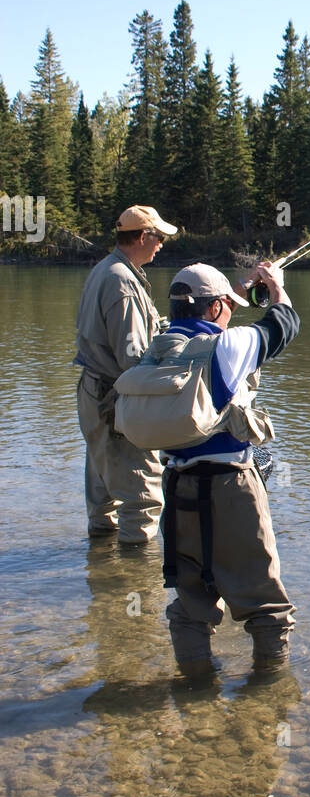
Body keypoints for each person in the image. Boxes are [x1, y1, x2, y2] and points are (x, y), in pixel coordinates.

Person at [157, 259, 300, 678]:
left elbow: (211, 330)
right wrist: (276, 286)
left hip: (178, 487)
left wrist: (228, 302)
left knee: (191, 601)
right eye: (225, 305)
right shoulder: (229, 347)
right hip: (232, 488)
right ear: (217, 306)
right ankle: (267, 690)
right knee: (265, 602)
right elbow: (284, 324)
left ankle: (196, 686)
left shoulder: (156, 347)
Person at [74, 204, 177, 543]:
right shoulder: (122, 282)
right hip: (113, 402)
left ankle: (104, 574)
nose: (162, 243)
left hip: (94, 395)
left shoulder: (108, 269)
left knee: (103, 495)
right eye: (159, 237)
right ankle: (137, 585)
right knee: (144, 500)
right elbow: (132, 362)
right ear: (143, 237)